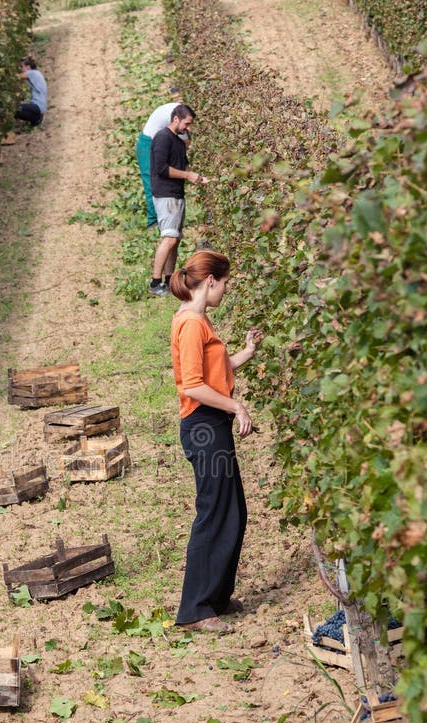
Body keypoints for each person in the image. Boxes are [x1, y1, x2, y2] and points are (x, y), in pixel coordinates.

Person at [169, 250, 262, 634]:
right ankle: (195, 610)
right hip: (204, 426)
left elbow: (215, 371)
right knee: (213, 514)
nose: (226, 289)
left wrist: (247, 352)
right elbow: (193, 385)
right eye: (225, 283)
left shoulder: (199, 320)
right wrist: (236, 406)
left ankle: (216, 598)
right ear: (210, 281)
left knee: (232, 511)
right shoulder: (191, 324)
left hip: (211, 422)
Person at [149, 104, 207, 297]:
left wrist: (197, 177)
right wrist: (187, 176)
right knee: (170, 238)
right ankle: (155, 283)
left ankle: (169, 280)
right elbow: (161, 168)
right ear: (176, 119)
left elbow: (185, 168)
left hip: (177, 194)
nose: (188, 128)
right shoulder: (162, 138)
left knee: (175, 240)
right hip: (165, 194)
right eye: (187, 124)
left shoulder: (179, 142)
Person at [135, 101, 190, 229]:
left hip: (156, 142)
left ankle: (164, 217)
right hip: (148, 144)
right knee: (152, 182)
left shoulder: (178, 111)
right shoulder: (173, 117)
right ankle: (154, 222)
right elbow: (185, 142)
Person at [15, 56, 47, 127]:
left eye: (22, 66)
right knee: (17, 112)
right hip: (40, 110)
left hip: (37, 107)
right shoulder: (37, 74)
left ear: (28, 67)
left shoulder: (32, 73)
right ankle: (36, 120)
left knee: (12, 109)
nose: (21, 69)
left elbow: (16, 77)